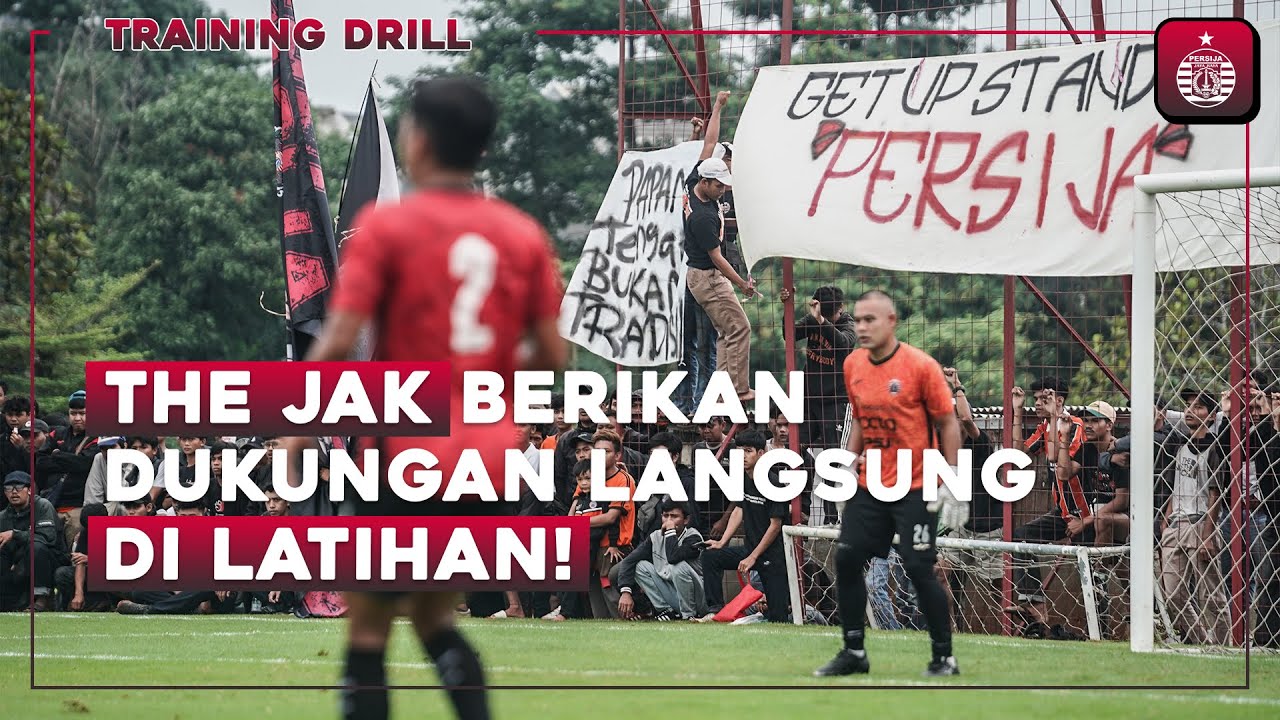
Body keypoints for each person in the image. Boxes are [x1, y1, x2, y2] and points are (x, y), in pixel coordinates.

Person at [281, 75, 567, 720]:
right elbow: (552, 355)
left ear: (418, 141)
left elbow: (340, 337)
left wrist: (299, 426)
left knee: (369, 624)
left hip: (408, 447)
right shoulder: (520, 233)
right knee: (436, 615)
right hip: (487, 457)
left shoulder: (389, 227)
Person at [814, 290, 965, 678]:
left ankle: (944, 657)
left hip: (916, 485)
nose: (862, 327)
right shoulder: (853, 365)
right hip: (872, 485)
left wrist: (952, 480)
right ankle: (854, 651)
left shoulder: (921, 366)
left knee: (918, 566)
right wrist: (848, 465)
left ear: (891, 322)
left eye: (870, 320)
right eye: (859, 320)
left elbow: (948, 423)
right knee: (847, 558)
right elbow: (861, 420)